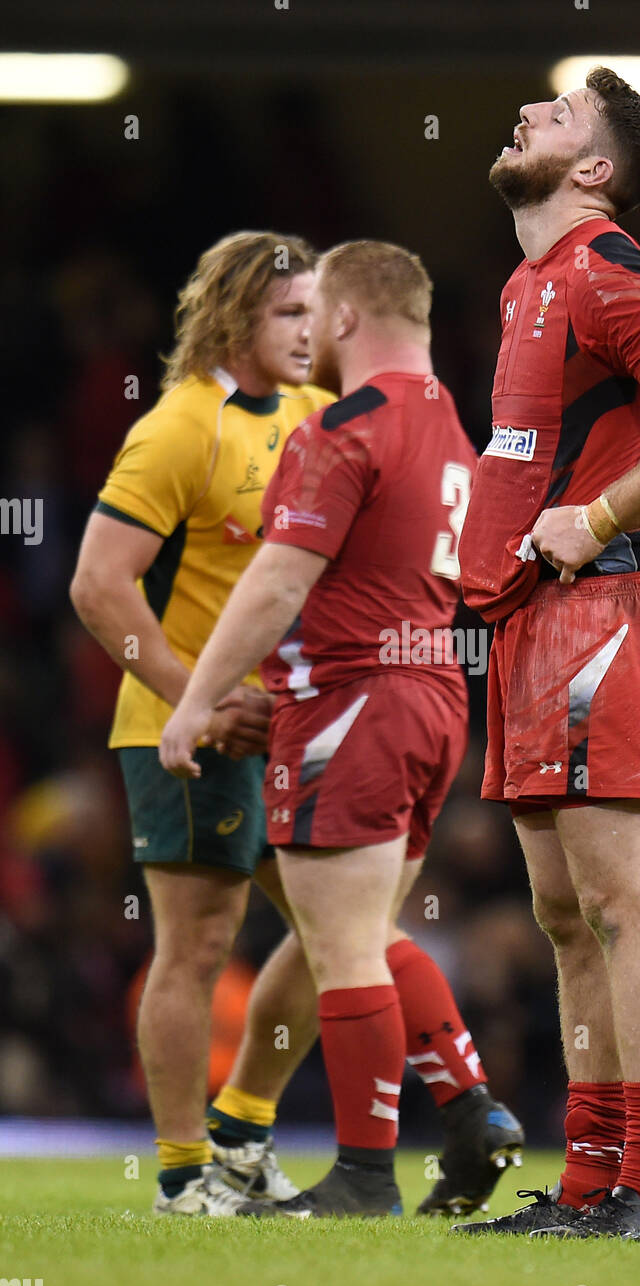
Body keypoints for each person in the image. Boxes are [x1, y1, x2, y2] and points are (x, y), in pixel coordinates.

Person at [72, 231, 520, 1217]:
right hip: (188, 722)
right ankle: (188, 1169)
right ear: (230, 315)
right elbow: (99, 585)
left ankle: (246, 1131)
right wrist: (196, 694)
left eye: (313, 310)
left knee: (345, 935)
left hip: (314, 713)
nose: (306, 327)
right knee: (202, 945)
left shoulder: (335, 414)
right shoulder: (181, 427)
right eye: (285, 312)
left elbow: (304, 576)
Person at [453, 68, 640, 1240]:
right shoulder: (527, 284)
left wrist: (600, 517)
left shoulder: (605, 265)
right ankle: (590, 1185)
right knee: (569, 918)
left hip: (600, 613)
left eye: (558, 115)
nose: (525, 111)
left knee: (625, 906)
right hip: (531, 623)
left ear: (592, 172)